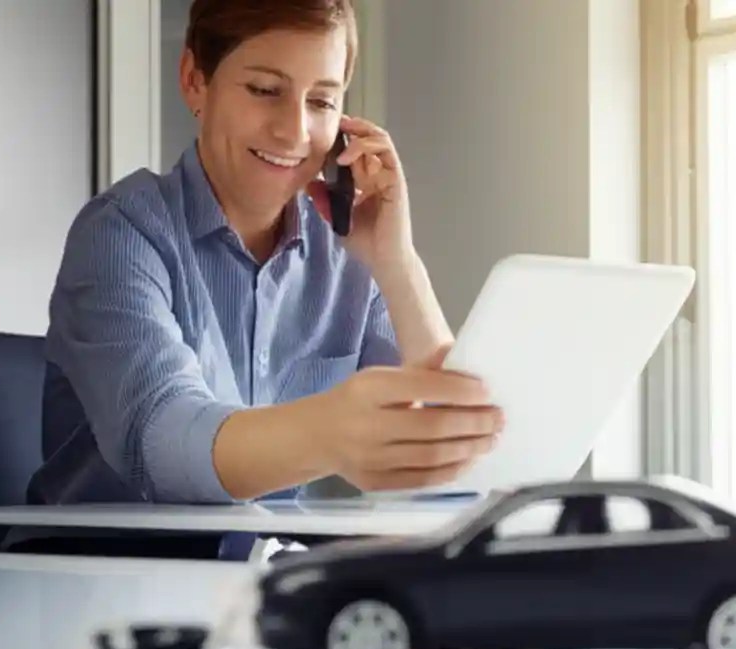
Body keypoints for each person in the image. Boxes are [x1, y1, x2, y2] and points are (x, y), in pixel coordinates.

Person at [26, 0, 504, 509]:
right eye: (265, 90)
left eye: (321, 102)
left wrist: (398, 262)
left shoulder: (347, 253)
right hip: (98, 571)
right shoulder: (121, 233)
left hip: (255, 570)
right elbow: (162, 442)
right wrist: (327, 432)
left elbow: (455, 451)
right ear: (194, 79)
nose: (294, 131)